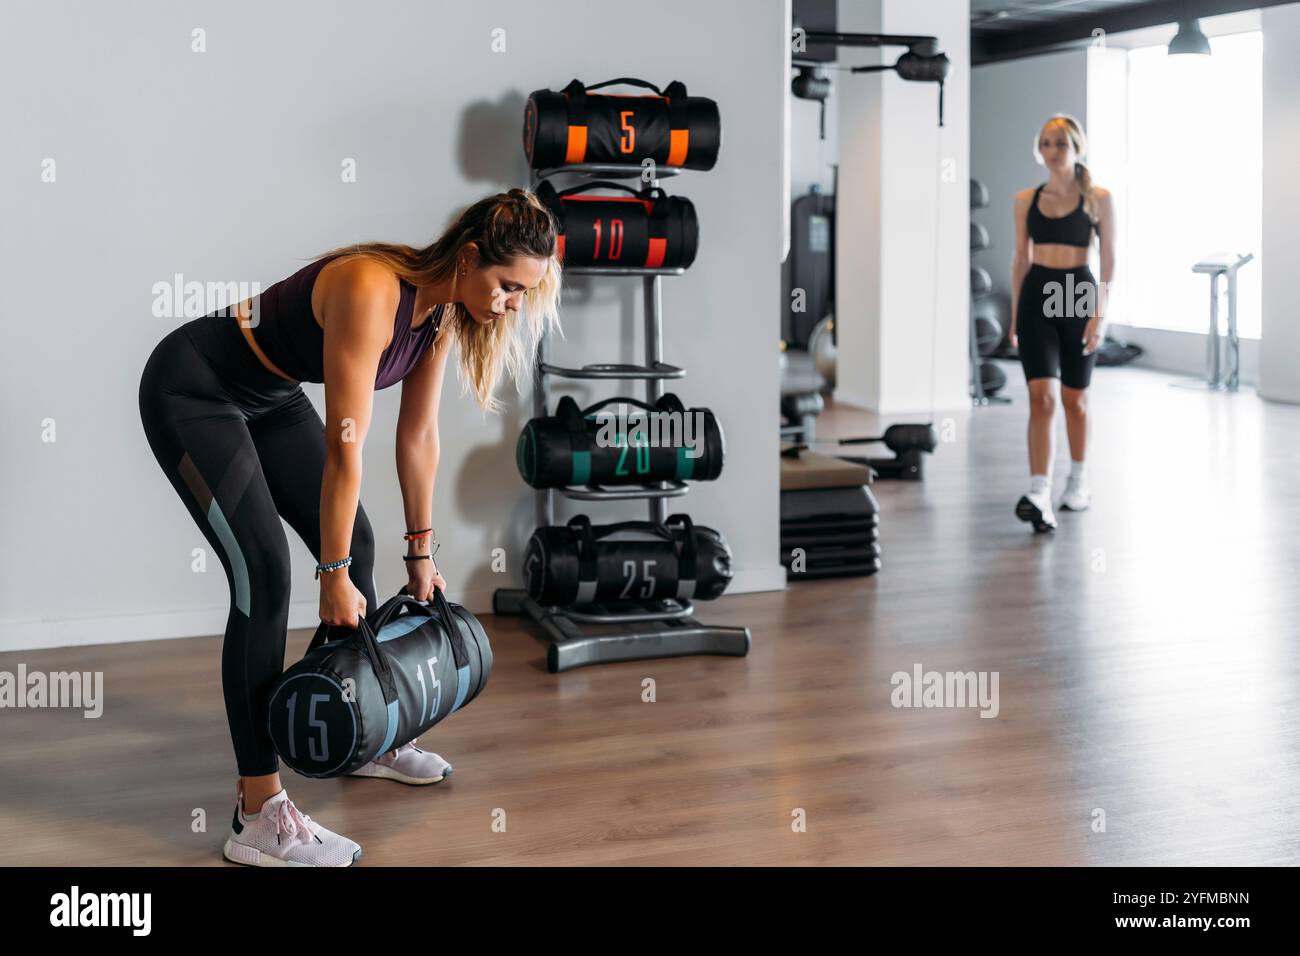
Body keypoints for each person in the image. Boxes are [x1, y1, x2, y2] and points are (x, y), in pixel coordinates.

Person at [137, 188, 561, 865]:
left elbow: (418, 438)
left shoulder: (442, 317)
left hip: (269, 396)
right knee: (266, 573)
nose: (510, 304)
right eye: (507, 286)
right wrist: (330, 575)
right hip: (193, 389)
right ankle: (258, 809)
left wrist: (420, 553)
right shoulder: (371, 289)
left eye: (522, 294)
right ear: (471, 255)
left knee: (357, 541)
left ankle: (367, 729)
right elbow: (346, 447)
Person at [1009, 114, 1116, 532]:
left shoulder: (1099, 198)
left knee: (1076, 400)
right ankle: (1039, 491)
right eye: (1047, 144)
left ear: (1077, 149)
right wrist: (1016, 315)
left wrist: (1099, 315)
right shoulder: (1024, 199)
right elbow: (1019, 259)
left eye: (1061, 144)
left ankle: (1078, 480)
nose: (1053, 152)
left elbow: (1109, 260)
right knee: (1042, 398)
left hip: (1077, 295)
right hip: (1038, 293)